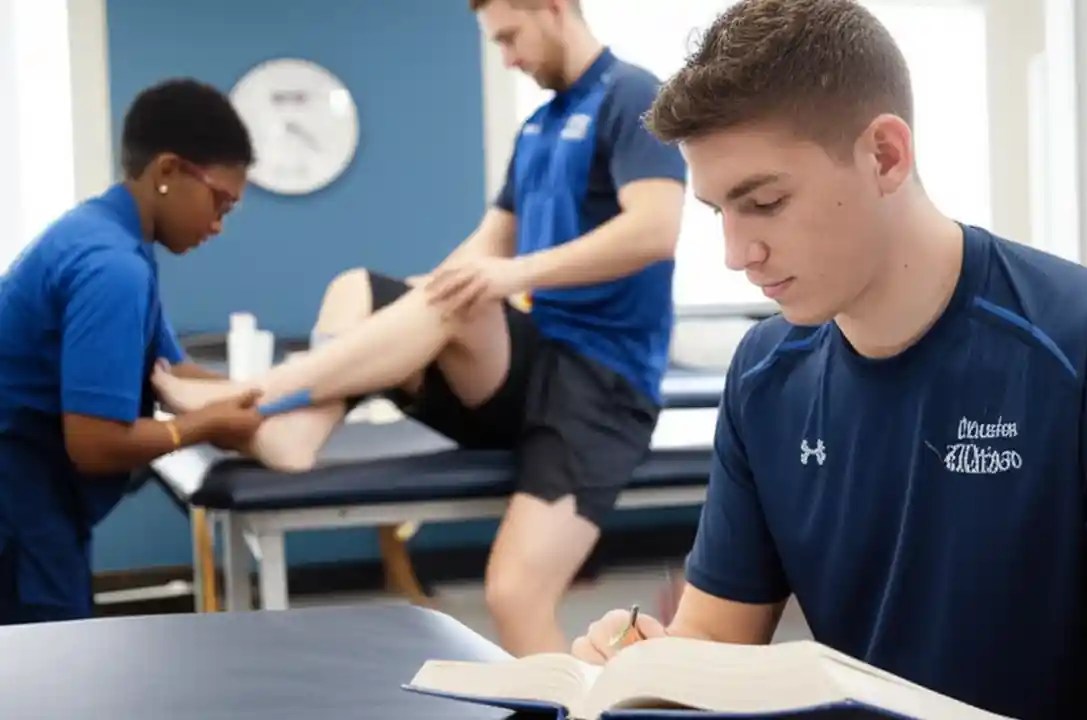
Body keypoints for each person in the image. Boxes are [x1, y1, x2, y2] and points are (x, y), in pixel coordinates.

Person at [568, 1, 1087, 718]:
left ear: (885, 155)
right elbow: (716, 639)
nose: (735, 254)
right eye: (720, 211)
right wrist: (645, 662)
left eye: (767, 202)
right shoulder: (764, 377)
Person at [150, 0, 687, 656]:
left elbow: (655, 230)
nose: (508, 57)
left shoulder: (632, 95)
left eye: (510, 37)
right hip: (531, 369)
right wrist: (405, 309)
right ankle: (291, 429)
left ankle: (260, 392)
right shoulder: (538, 129)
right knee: (363, 289)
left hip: (602, 386)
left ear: (549, 7)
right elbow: (483, 249)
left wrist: (509, 278)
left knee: (514, 597)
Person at [0, 78, 266, 625]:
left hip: (34, 492)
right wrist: (202, 426)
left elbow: (174, 374)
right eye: (219, 203)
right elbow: (94, 444)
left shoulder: (112, 239)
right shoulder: (110, 266)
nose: (217, 226)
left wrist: (288, 394)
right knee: (48, 676)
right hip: (16, 502)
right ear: (168, 171)